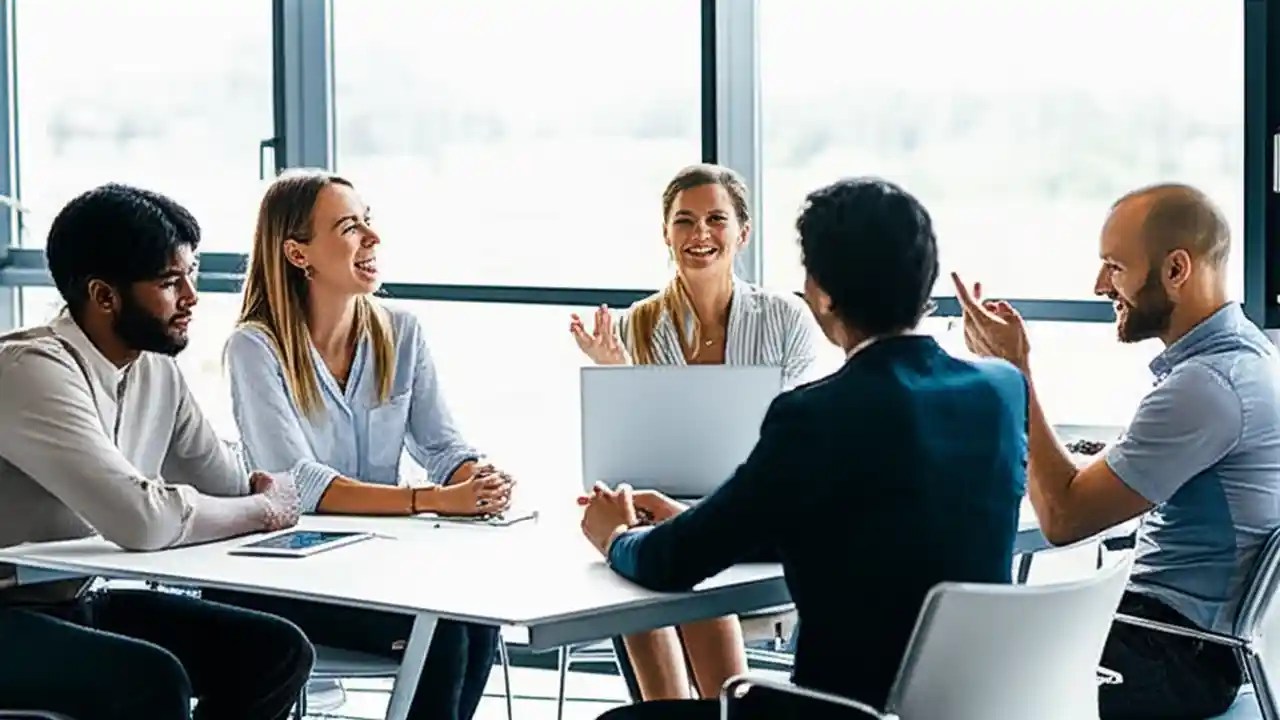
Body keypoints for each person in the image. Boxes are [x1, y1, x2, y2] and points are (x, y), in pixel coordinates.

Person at [581, 176, 1030, 719]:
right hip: (970, 708)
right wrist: (696, 519)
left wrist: (618, 536)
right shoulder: (1001, 390)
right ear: (927, 277)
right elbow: (868, 526)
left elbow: (670, 564)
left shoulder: (814, 415)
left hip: (837, 714)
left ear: (820, 292)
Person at [953, 182, 1280, 718]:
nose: (1100, 284)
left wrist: (1015, 374)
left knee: (945, 661)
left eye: (1114, 267)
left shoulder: (1207, 387)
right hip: (1183, 644)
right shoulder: (1245, 359)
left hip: (1169, 655)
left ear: (1176, 270)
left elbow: (1063, 519)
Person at [202, 169, 510, 720]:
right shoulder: (255, 347)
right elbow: (300, 485)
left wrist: (475, 478)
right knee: (443, 630)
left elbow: (442, 447)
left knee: (475, 621)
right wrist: (431, 501)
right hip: (283, 582)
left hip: (377, 570)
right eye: (349, 227)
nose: (372, 238)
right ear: (299, 254)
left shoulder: (402, 332)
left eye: (368, 222)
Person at [0, 183, 313, 720]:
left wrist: (254, 495)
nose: (191, 297)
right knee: (150, 680)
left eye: (190, 275)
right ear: (104, 296)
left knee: (277, 652)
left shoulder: (154, 368)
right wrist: (263, 510)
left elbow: (225, 481)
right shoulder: (27, 369)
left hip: (71, 602)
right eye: (171, 282)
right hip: (8, 615)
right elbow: (142, 521)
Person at [568, 162, 825, 703]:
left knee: (678, 556)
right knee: (638, 537)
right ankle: (671, 708)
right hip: (667, 507)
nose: (699, 234)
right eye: (684, 221)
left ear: (742, 232)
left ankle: (718, 706)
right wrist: (614, 374)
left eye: (715, 219)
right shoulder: (640, 322)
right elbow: (638, 446)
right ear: (666, 234)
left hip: (755, 514)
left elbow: (796, 440)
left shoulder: (786, 318)